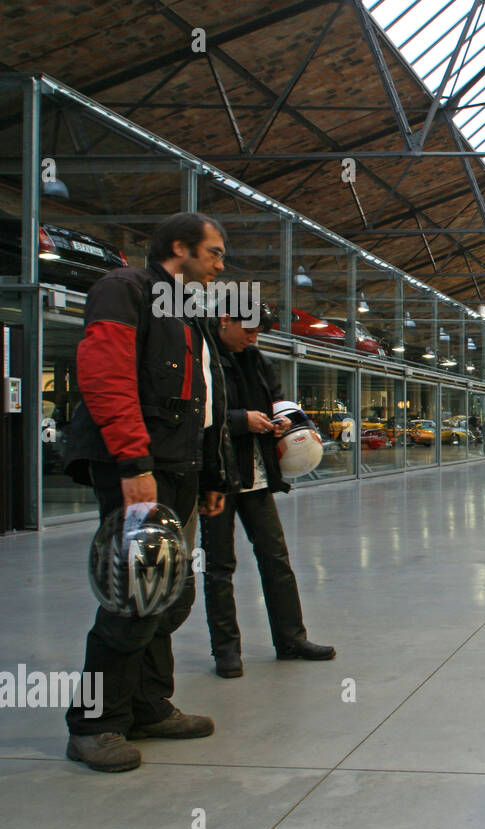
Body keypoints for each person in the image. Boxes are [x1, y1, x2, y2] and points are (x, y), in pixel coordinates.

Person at [62, 212, 231, 773]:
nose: (219, 265)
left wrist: (210, 477)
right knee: (135, 594)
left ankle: (147, 703)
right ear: (179, 247)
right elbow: (105, 376)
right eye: (213, 253)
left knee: (170, 594)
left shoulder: (189, 314)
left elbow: (202, 404)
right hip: (138, 468)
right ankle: (94, 723)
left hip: (178, 470)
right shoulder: (124, 289)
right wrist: (133, 461)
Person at [201, 308, 335, 679]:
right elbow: (199, 414)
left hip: (257, 476)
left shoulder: (258, 360)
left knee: (276, 559)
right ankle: (226, 651)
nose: (253, 338)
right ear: (224, 319)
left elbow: (277, 402)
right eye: (248, 330)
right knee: (219, 566)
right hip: (219, 477)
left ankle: (291, 639)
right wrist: (242, 420)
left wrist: (281, 423)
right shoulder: (202, 355)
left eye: (258, 332)